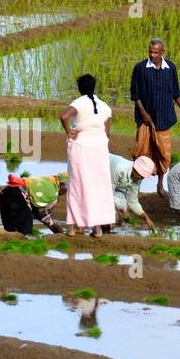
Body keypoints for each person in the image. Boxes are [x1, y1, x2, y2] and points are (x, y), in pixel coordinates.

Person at [130, 38, 180, 199]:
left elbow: (176, 92)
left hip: (164, 117)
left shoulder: (170, 68)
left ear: (162, 52)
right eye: (150, 52)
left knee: (164, 154)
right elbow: (135, 95)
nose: (152, 55)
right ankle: (136, 186)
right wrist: (144, 114)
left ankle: (159, 185)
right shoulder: (140, 69)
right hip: (145, 119)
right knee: (142, 152)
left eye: (156, 52)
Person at [60, 74, 115, 237]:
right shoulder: (105, 106)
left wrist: (69, 131)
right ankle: (97, 229)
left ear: (80, 88)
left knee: (77, 185)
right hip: (99, 149)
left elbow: (64, 116)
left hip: (80, 147)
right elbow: (107, 132)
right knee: (99, 186)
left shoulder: (78, 103)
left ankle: (72, 228)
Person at [110, 154, 157, 232]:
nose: (142, 178)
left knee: (122, 202)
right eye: (141, 175)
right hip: (97, 173)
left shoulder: (137, 179)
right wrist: (122, 209)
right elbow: (108, 193)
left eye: (143, 176)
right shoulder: (119, 168)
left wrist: (146, 218)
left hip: (112, 187)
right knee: (111, 207)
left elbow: (132, 201)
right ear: (135, 168)